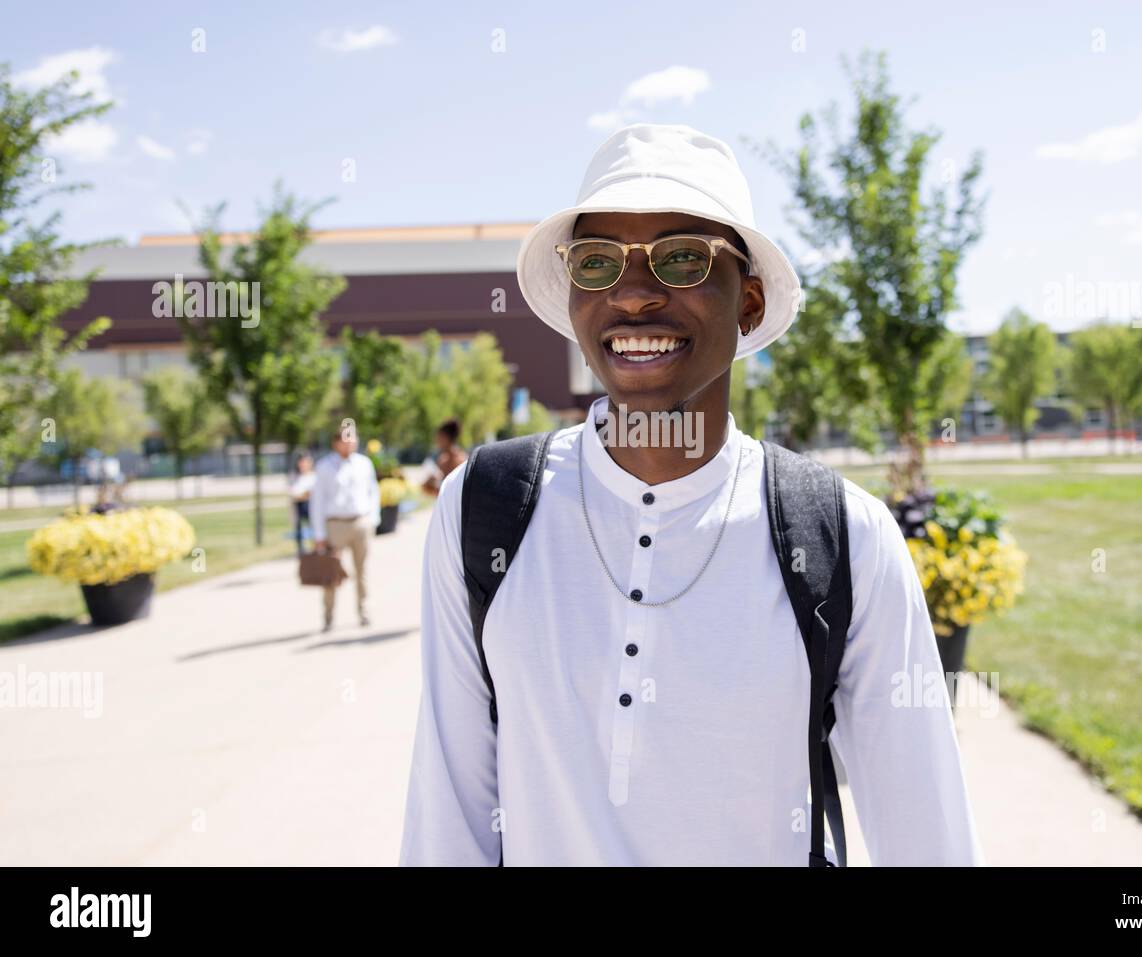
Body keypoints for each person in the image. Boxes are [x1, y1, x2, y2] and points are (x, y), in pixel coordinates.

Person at [399, 123, 984, 866]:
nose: (634, 294)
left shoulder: (845, 536)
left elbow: (926, 831)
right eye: (598, 261)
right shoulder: (483, 509)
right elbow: (449, 819)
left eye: (681, 257)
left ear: (747, 301)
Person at [309, 427, 380, 631]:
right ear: (335, 442)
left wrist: (373, 519)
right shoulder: (324, 467)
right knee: (330, 572)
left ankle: (364, 611)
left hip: (359, 522)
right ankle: (328, 616)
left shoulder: (364, 464)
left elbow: (372, 492)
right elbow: (318, 501)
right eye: (345, 439)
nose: (349, 443)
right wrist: (319, 534)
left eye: (353, 439)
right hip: (335, 524)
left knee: (362, 571)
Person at [419, 420, 468, 497]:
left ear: (447, 438)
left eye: (439, 437)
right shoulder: (443, 459)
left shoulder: (461, 460)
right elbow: (441, 492)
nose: (437, 441)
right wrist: (429, 483)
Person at [288, 453, 316, 555]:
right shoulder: (295, 476)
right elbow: (293, 492)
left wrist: (304, 495)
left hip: (311, 505)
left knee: (313, 527)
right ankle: (301, 549)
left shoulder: (314, 476)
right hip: (298, 505)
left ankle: (315, 547)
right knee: (298, 528)